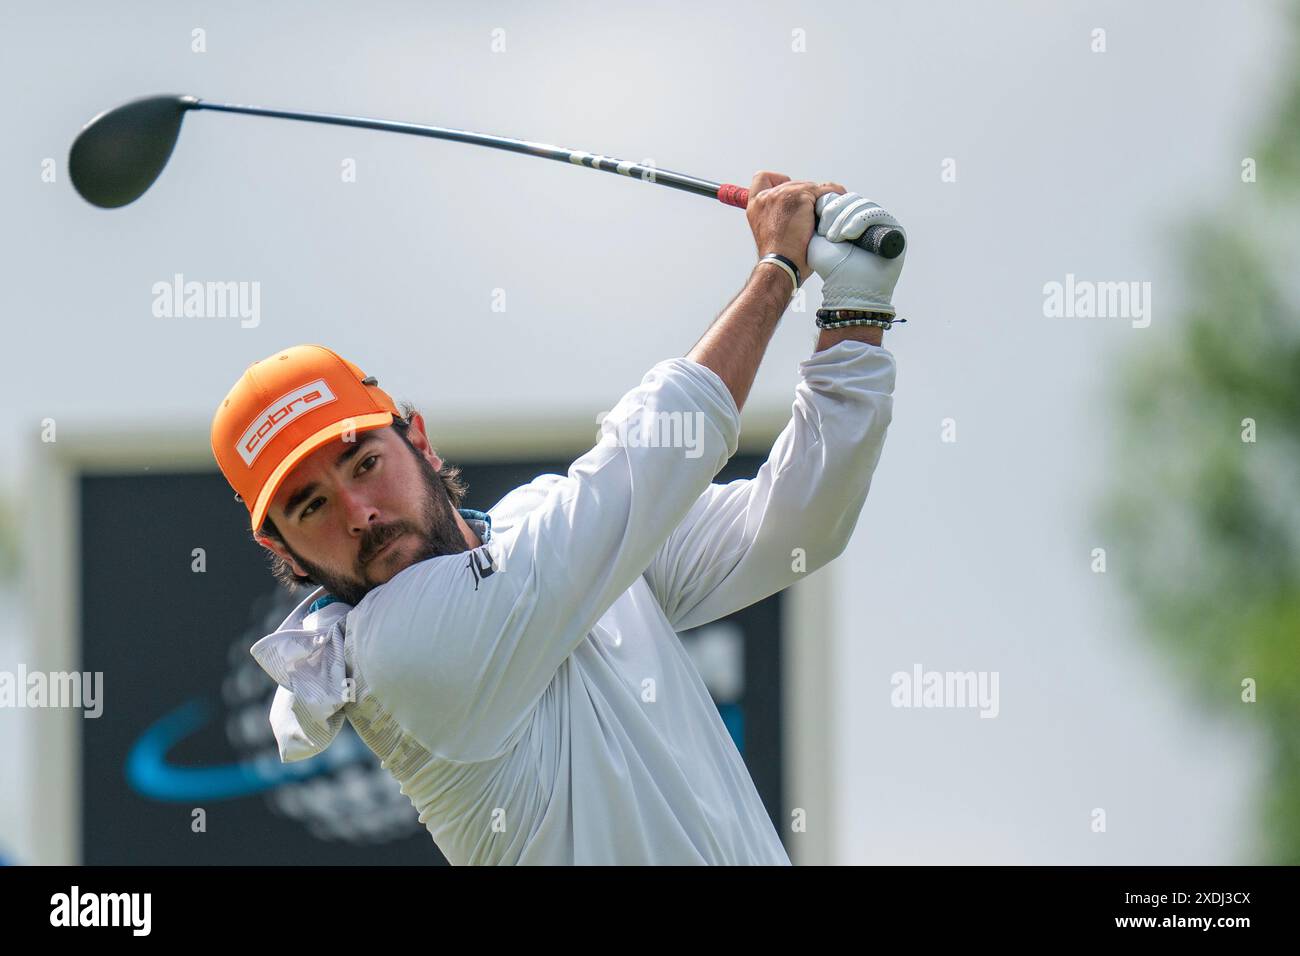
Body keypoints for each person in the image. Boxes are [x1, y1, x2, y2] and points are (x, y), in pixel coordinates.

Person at [209, 172, 906, 864]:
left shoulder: (542, 525)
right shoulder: (396, 651)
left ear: (417, 438)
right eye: (313, 506)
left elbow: (793, 524)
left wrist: (855, 316)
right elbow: (652, 454)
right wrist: (778, 270)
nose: (359, 512)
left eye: (364, 463)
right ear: (286, 551)